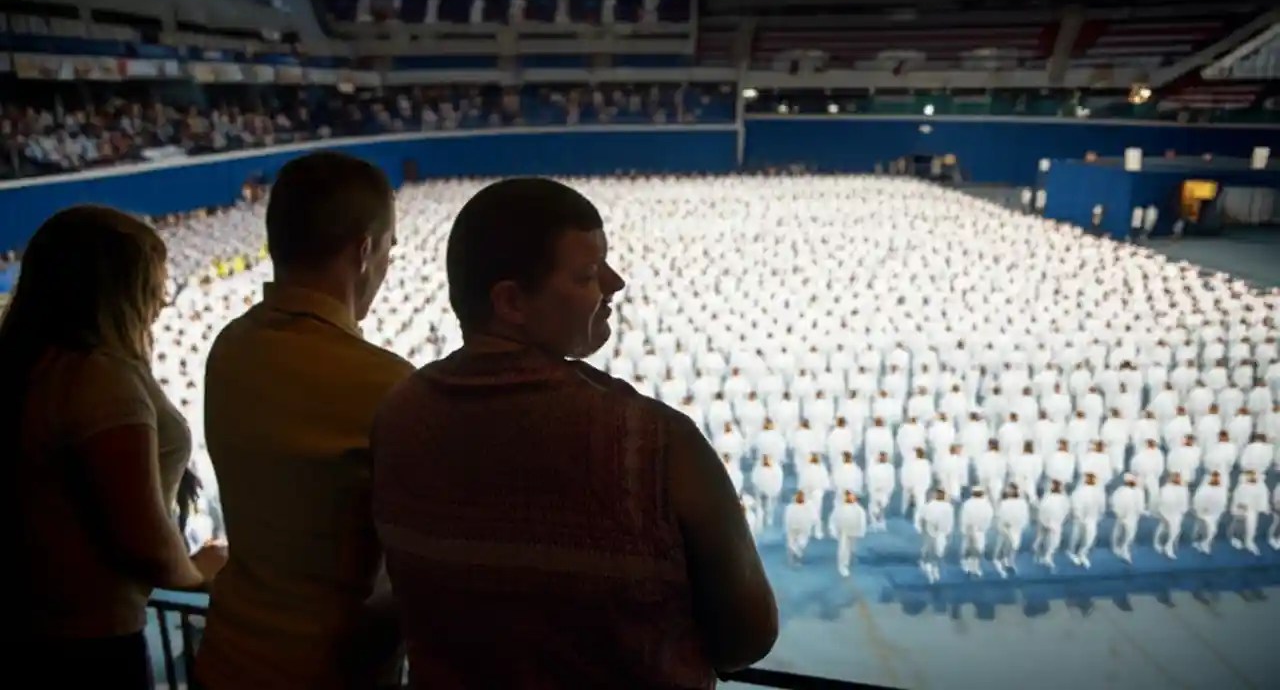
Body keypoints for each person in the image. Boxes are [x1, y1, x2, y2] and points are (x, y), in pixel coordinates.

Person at [370, 177, 777, 686]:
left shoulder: (396, 415)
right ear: (512, 303)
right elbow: (747, 638)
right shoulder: (655, 442)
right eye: (588, 274)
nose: (615, 283)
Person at [196, 153, 416, 690]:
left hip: (225, 657)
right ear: (364, 250)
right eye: (389, 248)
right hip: (327, 671)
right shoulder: (385, 384)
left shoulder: (231, 347)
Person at [11, 206, 227, 688]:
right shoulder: (100, 379)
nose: (161, 299)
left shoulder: (36, 367)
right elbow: (142, 540)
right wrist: (199, 572)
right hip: (92, 645)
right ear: (114, 290)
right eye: (152, 282)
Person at [1067, 472, 1105, 568]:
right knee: (1076, 535)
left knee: (1090, 536)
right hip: (1079, 517)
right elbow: (1074, 502)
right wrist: (1077, 514)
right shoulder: (1079, 491)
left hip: (1091, 517)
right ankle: (1071, 551)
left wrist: (1099, 515)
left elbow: (1101, 505)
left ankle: (1082, 553)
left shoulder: (1099, 492)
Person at [992, 485, 1030, 578]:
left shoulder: (1021, 503)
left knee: (1014, 545)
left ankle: (1010, 561)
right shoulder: (1004, 503)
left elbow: (1024, 515)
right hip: (1006, 527)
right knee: (1004, 544)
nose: (1010, 492)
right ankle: (999, 560)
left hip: (1016, 527)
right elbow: (1000, 515)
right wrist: (1002, 526)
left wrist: (1022, 524)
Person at [829, 490, 868, 578]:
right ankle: (843, 566)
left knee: (852, 547)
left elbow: (862, 521)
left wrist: (861, 531)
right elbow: (832, 520)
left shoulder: (858, 509)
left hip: (854, 531)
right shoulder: (839, 508)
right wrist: (833, 531)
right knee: (843, 548)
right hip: (843, 531)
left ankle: (852, 557)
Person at [1228, 470, 1268, 555]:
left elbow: (1263, 498)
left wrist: (1261, 507)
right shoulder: (1242, 486)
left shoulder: (1261, 487)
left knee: (1251, 524)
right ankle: (1236, 538)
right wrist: (1240, 506)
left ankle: (1249, 541)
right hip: (1241, 508)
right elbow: (1237, 497)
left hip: (1253, 509)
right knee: (1239, 523)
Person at [919, 488, 955, 584]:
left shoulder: (931, 505)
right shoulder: (946, 507)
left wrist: (923, 530)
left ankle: (931, 567)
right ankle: (931, 567)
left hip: (936, 531)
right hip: (937, 531)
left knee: (934, 551)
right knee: (935, 551)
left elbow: (922, 519)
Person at [1034, 479, 1070, 570]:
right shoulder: (1049, 497)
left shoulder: (1062, 498)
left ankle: (1047, 556)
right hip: (1049, 521)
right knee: (1044, 538)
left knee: (1050, 539)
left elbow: (1066, 510)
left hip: (1054, 521)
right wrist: (1045, 521)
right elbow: (1042, 509)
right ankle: (1041, 555)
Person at [958, 487, 994, 577]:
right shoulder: (986, 504)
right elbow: (989, 517)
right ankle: (974, 567)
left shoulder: (967, 504)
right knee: (977, 549)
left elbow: (963, 517)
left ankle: (968, 566)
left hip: (969, 529)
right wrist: (985, 528)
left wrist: (964, 529)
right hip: (979, 530)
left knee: (969, 549)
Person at [1153, 472, 1190, 559]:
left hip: (1177, 513)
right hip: (1166, 512)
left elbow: (1185, 500)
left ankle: (1168, 547)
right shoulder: (1165, 489)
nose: (1177, 479)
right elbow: (1160, 501)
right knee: (1163, 527)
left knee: (1175, 530)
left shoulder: (1183, 489)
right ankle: (1157, 543)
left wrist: (1183, 510)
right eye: (1174, 477)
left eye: (1178, 478)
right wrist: (1161, 512)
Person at [1191, 471, 1228, 554]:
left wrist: (1220, 510)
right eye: (1214, 477)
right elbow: (1197, 500)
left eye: (1217, 477)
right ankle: (1203, 543)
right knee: (1209, 529)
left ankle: (1203, 543)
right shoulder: (1204, 489)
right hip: (1204, 513)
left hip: (1215, 513)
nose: (1215, 479)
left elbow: (1223, 501)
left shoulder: (1221, 489)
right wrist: (1201, 509)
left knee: (1210, 530)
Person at [785, 490, 819, 565]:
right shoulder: (792, 507)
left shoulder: (791, 507)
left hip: (798, 527)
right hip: (800, 527)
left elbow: (787, 519)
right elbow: (814, 518)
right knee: (798, 541)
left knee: (796, 542)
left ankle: (794, 554)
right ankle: (794, 555)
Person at [752, 453, 784, 527]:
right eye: (764, 459)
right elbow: (754, 479)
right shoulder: (758, 468)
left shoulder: (776, 469)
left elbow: (778, 480)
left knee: (769, 506)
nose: (766, 460)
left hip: (771, 490)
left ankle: (769, 518)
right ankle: (760, 520)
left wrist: (775, 490)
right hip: (760, 491)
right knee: (760, 506)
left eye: (767, 459)